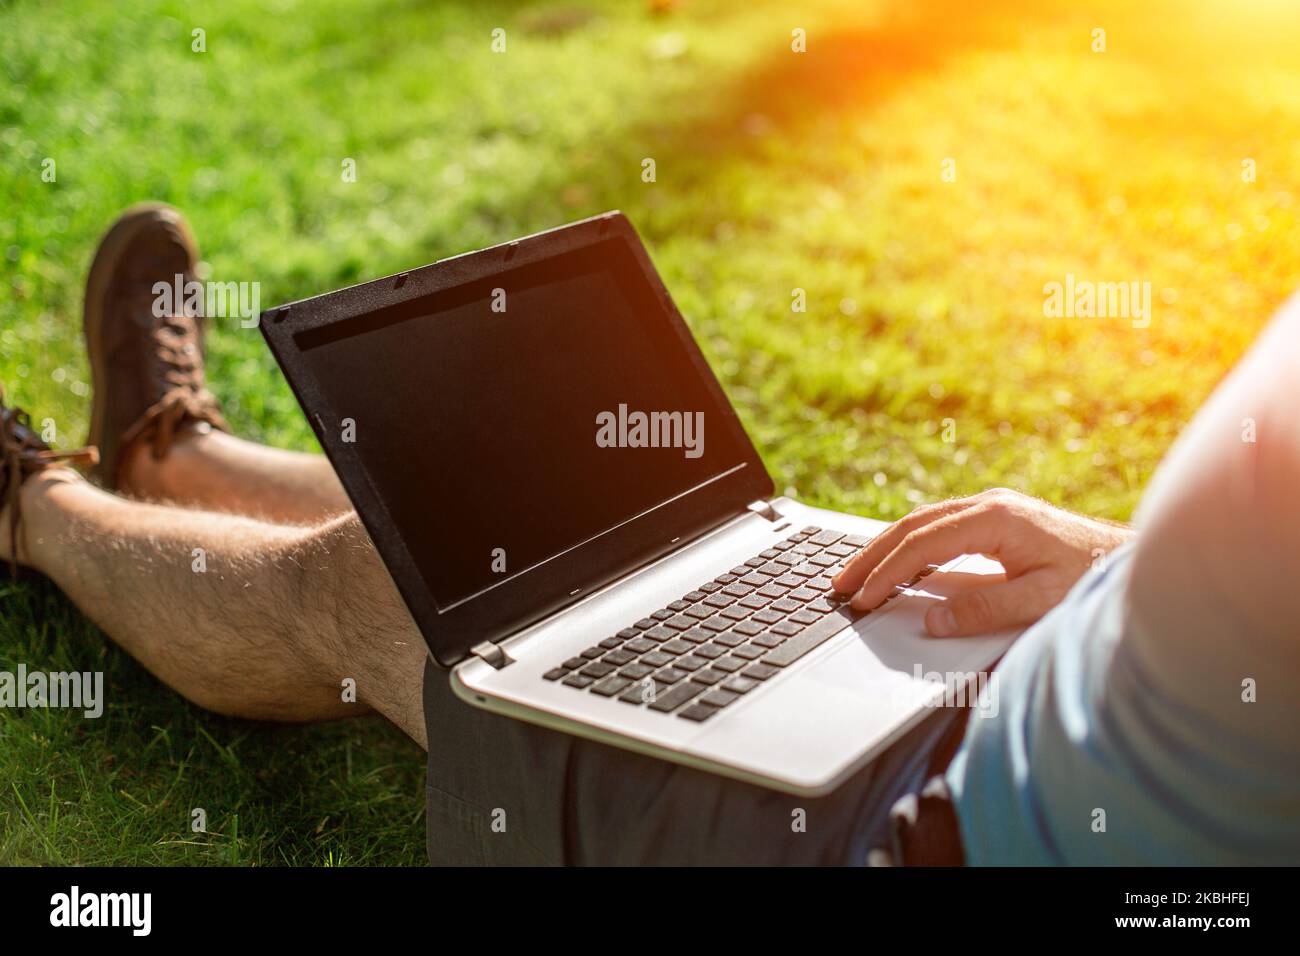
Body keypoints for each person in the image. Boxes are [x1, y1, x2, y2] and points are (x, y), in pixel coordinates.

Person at [2, 204, 1295, 864]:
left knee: (390, 601)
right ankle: (172, 457)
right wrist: (1124, 574)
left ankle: (35, 505)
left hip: (901, 830)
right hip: (1008, 678)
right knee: (545, 535)